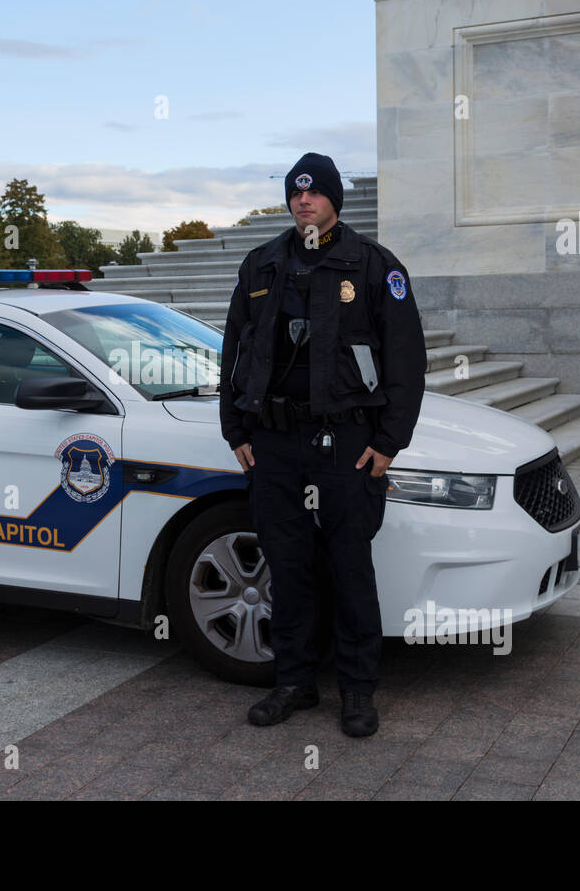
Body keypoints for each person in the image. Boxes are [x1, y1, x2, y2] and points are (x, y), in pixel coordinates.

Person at [219, 152, 426, 737]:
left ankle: (357, 691)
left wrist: (389, 443)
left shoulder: (372, 266)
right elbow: (232, 351)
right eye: (295, 193)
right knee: (286, 567)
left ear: (335, 199)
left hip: (349, 442)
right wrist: (235, 429)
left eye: (315, 193)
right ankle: (294, 682)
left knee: (350, 567)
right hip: (275, 442)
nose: (303, 200)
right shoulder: (261, 265)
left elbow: (407, 361)